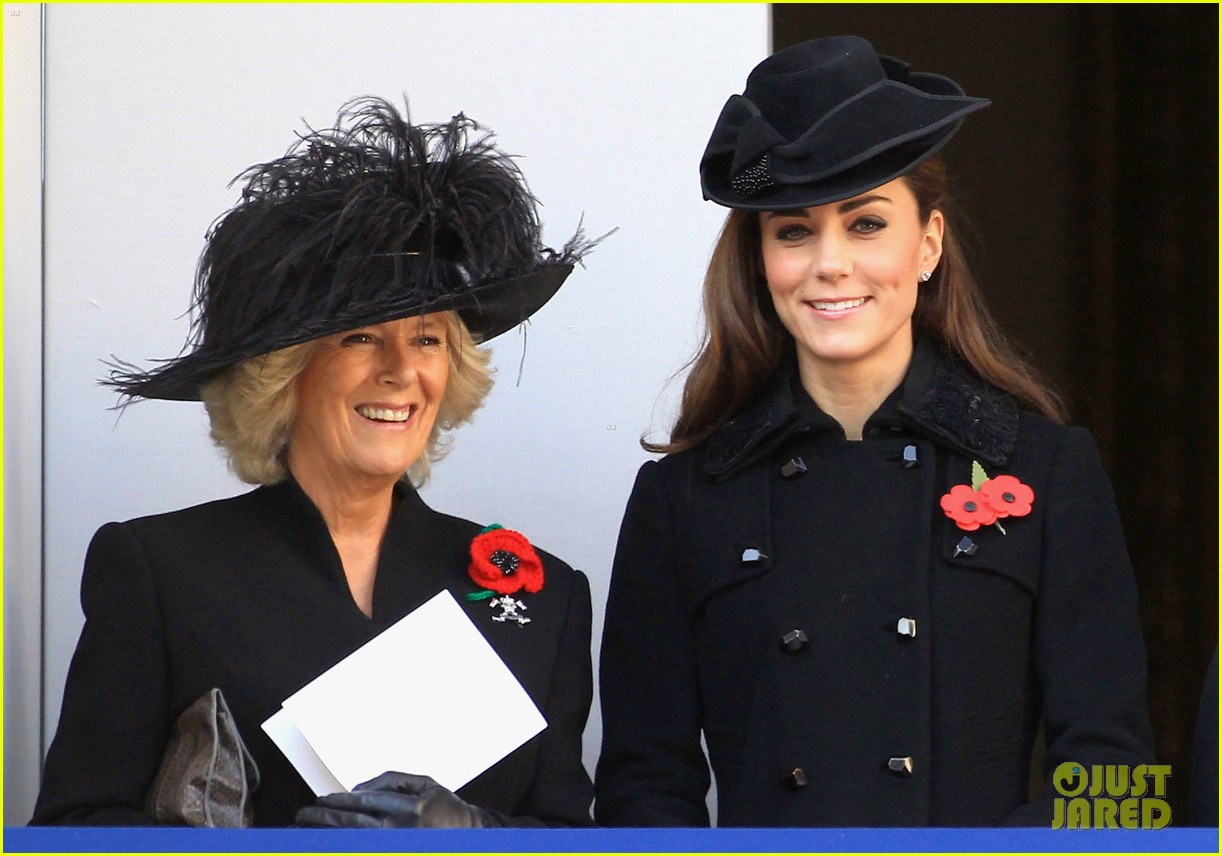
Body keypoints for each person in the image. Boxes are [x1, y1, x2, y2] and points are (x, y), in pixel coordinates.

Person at [595, 36, 1154, 827]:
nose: (829, 263)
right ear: (760, 260)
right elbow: (640, 791)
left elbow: (1115, 778)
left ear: (926, 245)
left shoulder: (1049, 468)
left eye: (865, 224)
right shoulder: (680, 497)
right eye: (793, 230)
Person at [32, 97, 595, 828]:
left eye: (426, 339)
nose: (400, 371)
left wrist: (475, 833)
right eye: (360, 338)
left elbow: (572, 836)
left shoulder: (543, 596)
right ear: (281, 373)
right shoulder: (161, 572)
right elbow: (78, 829)